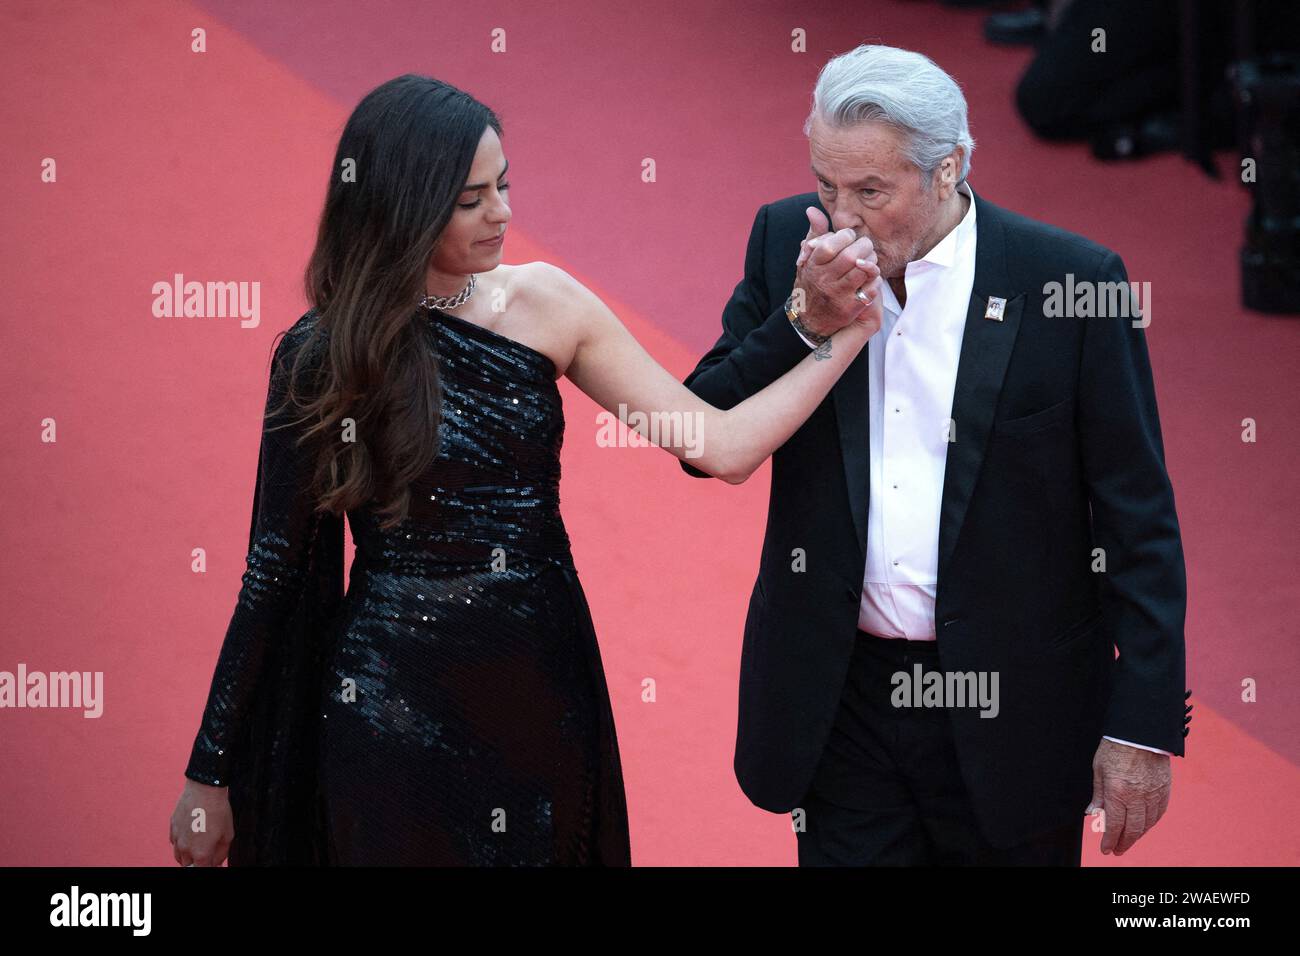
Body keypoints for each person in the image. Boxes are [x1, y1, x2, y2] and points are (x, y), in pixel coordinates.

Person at [168, 74, 883, 866]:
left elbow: (718, 446)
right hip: (384, 709)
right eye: (470, 200)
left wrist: (841, 335)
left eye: (503, 186)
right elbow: (274, 571)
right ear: (405, 207)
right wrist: (211, 771)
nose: (502, 214)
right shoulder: (320, 356)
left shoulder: (548, 304)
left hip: (538, 693)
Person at [679, 44, 1190, 865]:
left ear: (947, 168)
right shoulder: (789, 244)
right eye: (826, 185)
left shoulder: (1071, 281)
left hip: (1013, 708)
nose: (842, 218)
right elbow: (700, 435)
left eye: (870, 191)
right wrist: (804, 321)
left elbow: (1139, 519)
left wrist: (1143, 724)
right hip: (842, 699)